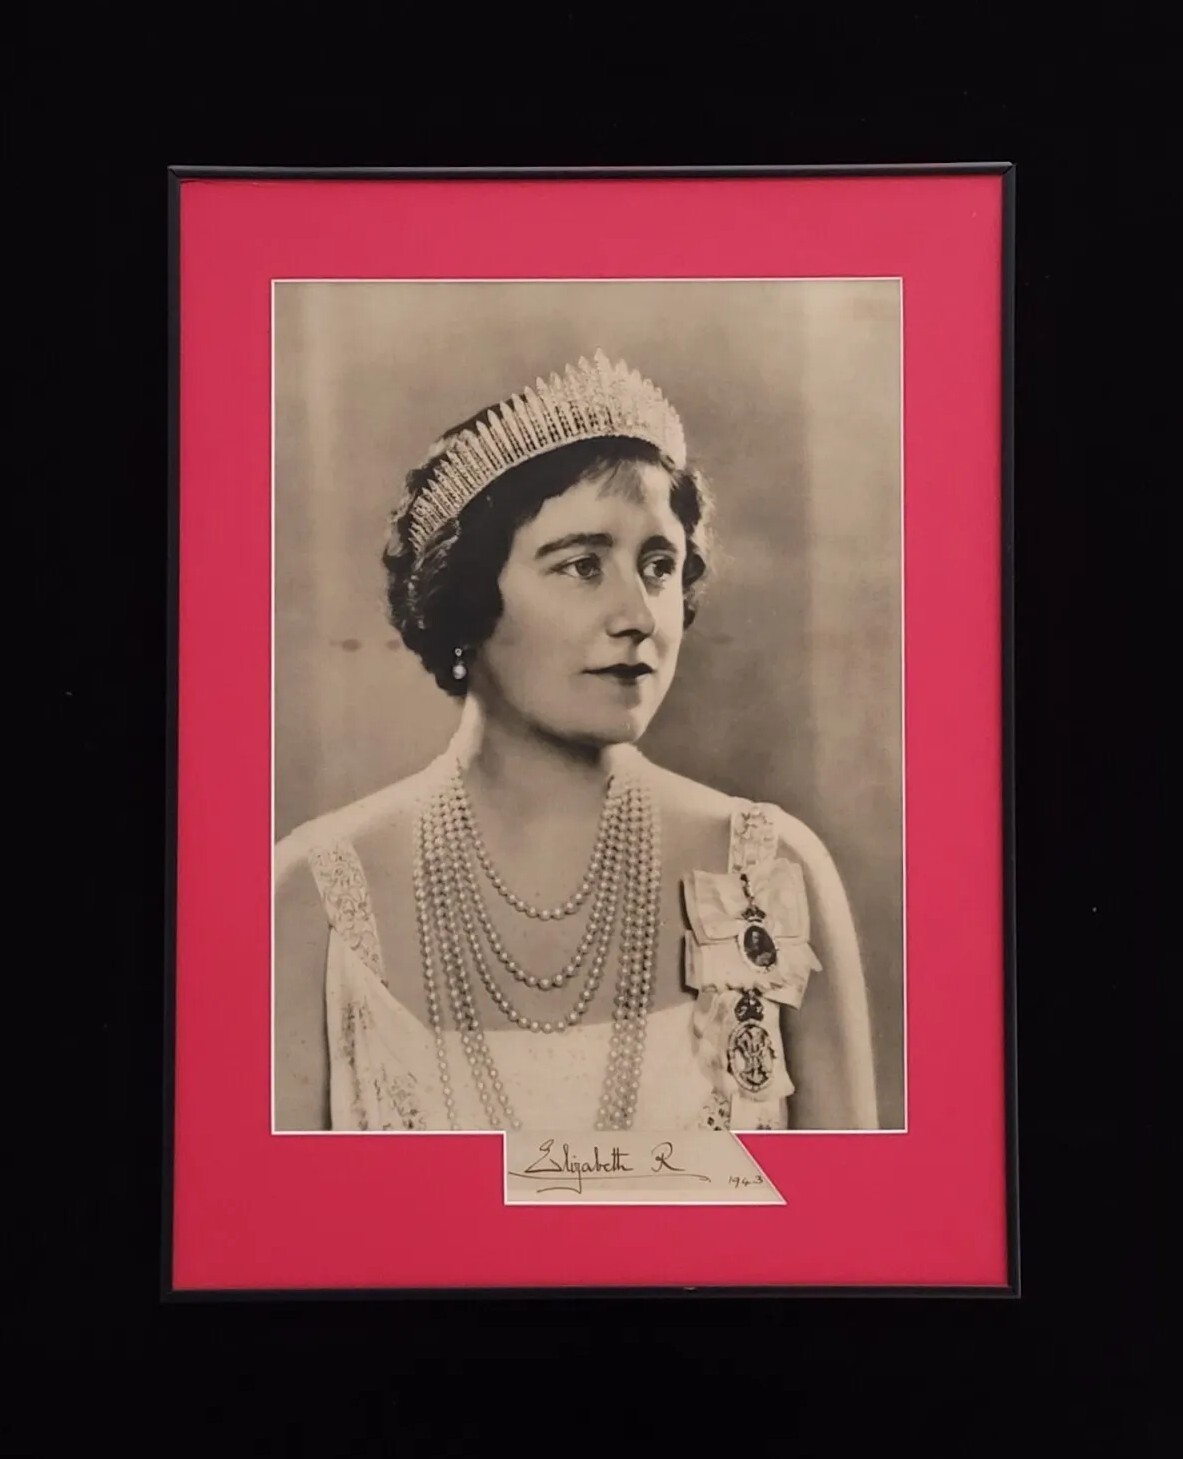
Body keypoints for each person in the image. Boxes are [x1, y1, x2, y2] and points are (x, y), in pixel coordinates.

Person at [274, 350, 879, 1134]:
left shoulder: (773, 871)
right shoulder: (309, 899)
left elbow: (857, 1239)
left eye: (657, 565)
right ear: (467, 599)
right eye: (582, 565)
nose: (636, 612)